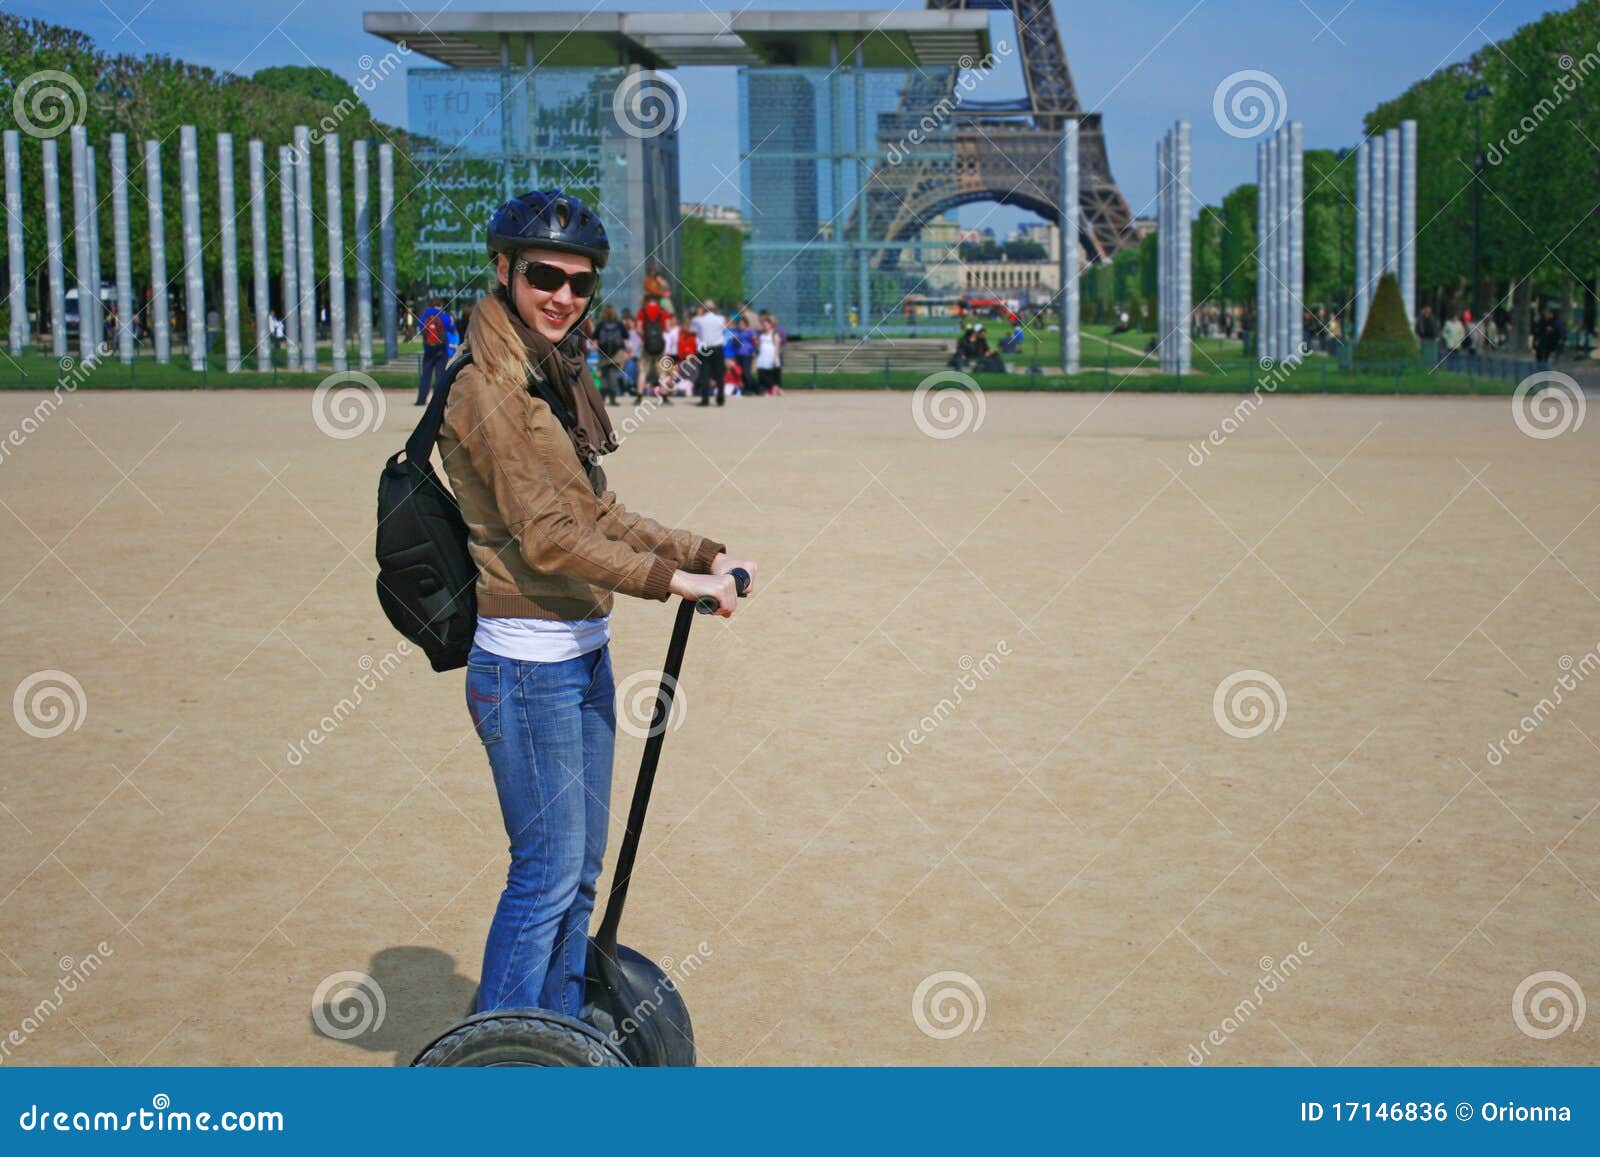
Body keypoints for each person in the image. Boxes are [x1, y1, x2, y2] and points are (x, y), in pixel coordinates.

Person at [436, 189, 757, 1017]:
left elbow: (598, 512)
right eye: (544, 276)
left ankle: (561, 1040)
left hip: (579, 655)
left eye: (579, 284)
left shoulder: (547, 378)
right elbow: (546, 538)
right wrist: (672, 582)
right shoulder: (485, 389)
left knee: (578, 874)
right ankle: (502, 1061)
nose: (563, 296)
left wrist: (701, 552)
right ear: (503, 269)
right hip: (526, 665)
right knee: (545, 873)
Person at [416, 297, 456, 406]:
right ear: (441, 305)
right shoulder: (444, 316)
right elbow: (452, 329)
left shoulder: (424, 316)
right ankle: (437, 400)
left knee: (426, 375)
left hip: (429, 349)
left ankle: (421, 399)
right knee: (440, 375)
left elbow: (421, 329)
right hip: (442, 349)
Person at [690, 299, 728, 407]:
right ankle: (720, 398)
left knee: (705, 374)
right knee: (719, 374)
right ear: (714, 308)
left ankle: (705, 399)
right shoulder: (721, 319)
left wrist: (699, 315)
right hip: (717, 348)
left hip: (704, 348)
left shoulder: (698, 320)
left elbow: (692, 330)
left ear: (703, 309)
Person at [593, 304, 629, 406]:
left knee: (604, 376)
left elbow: (594, 337)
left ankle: (602, 399)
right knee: (613, 376)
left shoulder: (601, 325)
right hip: (616, 354)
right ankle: (613, 399)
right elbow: (626, 336)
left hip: (603, 353)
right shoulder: (619, 324)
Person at [754, 313, 782, 396]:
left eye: (767, 324)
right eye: (764, 324)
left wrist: (775, 358)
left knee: (770, 376)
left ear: (771, 325)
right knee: (761, 374)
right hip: (762, 359)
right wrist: (757, 344)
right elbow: (760, 347)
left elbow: (777, 347)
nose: (765, 326)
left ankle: (775, 388)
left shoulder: (775, 335)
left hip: (771, 359)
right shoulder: (762, 335)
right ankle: (772, 389)